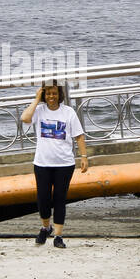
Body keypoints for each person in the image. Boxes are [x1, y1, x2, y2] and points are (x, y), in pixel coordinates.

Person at [20, 80, 88, 248]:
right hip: (42, 163)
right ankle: (45, 227)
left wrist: (84, 156)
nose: (52, 97)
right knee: (43, 199)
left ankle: (58, 235)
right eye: (48, 93)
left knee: (59, 199)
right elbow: (25, 118)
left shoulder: (68, 112)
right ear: (45, 95)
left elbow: (79, 136)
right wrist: (37, 99)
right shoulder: (39, 111)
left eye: (54, 93)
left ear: (60, 95)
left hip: (64, 163)